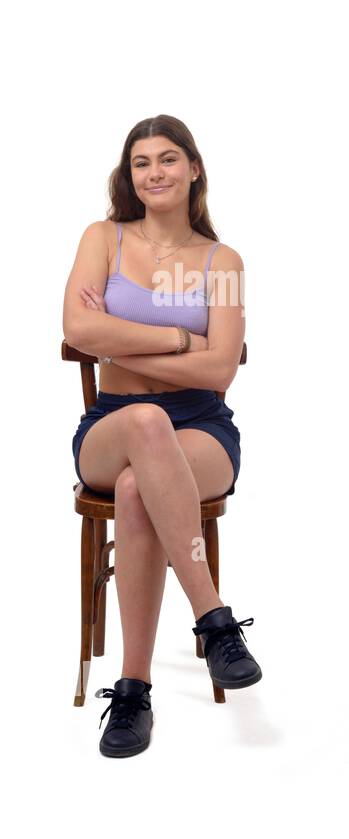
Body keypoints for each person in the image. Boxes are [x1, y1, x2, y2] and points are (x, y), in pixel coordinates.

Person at [63, 115, 261, 757]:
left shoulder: (221, 260)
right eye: (142, 162)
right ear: (130, 175)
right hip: (112, 425)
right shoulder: (104, 238)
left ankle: (132, 691)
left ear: (194, 169)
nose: (155, 172)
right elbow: (76, 330)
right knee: (145, 427)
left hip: (201, 425)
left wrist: (120, 347)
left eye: (168, 159)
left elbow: (221, 368)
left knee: (136, 487)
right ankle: (215, 620)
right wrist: (179, 339)